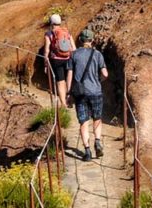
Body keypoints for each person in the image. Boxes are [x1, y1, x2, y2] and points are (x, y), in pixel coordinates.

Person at [66, 29, 108, 162]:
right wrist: (98, 81)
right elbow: (105, 74)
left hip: (80, 94)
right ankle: (97, 141)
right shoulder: (98, 54)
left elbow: (69, 75)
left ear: (80, 40)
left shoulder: (73, 55)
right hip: (96, 92)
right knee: (97, 118)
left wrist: (68, 93)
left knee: (83, 122)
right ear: (92, 40)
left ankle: (87, 152)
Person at [43, 13, 74, 104]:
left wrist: (46, 63)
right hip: (68, 58)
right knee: (69, 78)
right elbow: (73, 48)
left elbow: (47, 50)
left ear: (51, 23)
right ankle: (68, 97)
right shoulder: (67, 32)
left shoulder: (49, 34)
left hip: (57, 60)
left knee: (60, 81)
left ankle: (63, 104)